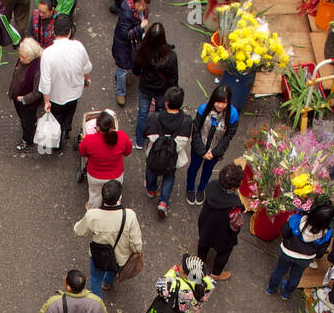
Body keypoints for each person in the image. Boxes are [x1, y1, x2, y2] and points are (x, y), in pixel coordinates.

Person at [73, 179, 142, 294]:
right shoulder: (129, 215)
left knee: (95, 279)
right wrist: (137, 251)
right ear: (119, 197)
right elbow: (136, 243)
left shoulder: (92, 215)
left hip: (98, 255)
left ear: (102, 196)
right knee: (113, 269)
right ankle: (107, 282)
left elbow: (78, 230)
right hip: (120, 255)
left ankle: (97, 305)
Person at [38, 14, 92, 144]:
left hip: (56, 96)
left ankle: (57, 139)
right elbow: (87, 67)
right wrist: (87, 79)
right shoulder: (79, 47)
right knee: (70, 112)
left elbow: (45, 81)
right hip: (74, 93)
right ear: (70, 31)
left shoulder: (48, 53)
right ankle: (66, 130)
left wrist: (46, 101)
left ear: (54, 31)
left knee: (56, 117)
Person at [268, 200, 334, 300]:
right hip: (305, 259)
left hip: (287, 252)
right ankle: (286, 294)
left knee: (279, 270)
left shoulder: (296, 219)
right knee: (296, 276)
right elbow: (321, 252)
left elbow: (285, 232)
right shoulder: (326, 234)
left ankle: (271, 288)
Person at [187, 84, 239, 205]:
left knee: (207, 170)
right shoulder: (203, 110)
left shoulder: (232, 115)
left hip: (215, 151)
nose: (220, 105)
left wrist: (214, 152)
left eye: (224, 102)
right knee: (193, 168)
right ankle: (190, 188)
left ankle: (201, 189)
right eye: (218, 101)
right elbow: (195, 131)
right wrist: (202, 151)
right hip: (199, 147)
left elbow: (228, 137)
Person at [143, 85, 191, 217]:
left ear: (166, 103)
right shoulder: (186, 121)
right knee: (169, 176)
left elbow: (146, 134)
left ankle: (151, 189)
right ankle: (163, 201)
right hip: (172, 156)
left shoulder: (154, 117)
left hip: (155, 153)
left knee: (151, 170)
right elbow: (184, 140)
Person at [195, 161, 245, 282]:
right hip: (222, 234)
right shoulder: (234, 205)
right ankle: (216, 273)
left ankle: (201, 260)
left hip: (206, 224)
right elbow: (235, 225)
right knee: (224, 251)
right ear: (234, 187)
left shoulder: (211, 185)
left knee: (203, 243)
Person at [131, 21, 177, 147]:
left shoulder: (143, 49)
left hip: (145, 87)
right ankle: (155, 139)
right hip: (162, 91)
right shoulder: (171, 56)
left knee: (143, 113)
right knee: (159, 114)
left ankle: (139, 141)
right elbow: (173, 78)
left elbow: (136, 68)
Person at [79, 111, 133, 209]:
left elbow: (83, 153)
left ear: (98, 128)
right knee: (115, 198)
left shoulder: (89, 140)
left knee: (95, 196)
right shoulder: (122, 136)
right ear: (113, 126)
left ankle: (93, 212)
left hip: (95, 177)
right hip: (116, 177)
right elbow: (127, 152)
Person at [111, 0, 150, 108]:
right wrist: (140, 28)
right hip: (123, 44)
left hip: (134, 43)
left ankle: (121, 78)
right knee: (122, 67)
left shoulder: (141, 10)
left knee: (129, 64)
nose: (142, 8)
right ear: (135, 1)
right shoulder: (126, 13)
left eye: (144, 5)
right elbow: (126, 34)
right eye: (140, 5)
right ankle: (120, 92)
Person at [9, 37, 46, 151]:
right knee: (23, 119)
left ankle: (27, 139)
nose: (20, 58)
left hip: (27, 104)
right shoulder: (24, 60)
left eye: (23, 57)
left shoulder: (37, 71)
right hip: (17, 98)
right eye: (20, 54)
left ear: (32, 56)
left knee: (27, 123)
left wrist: (23, 99)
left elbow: (37, 92)